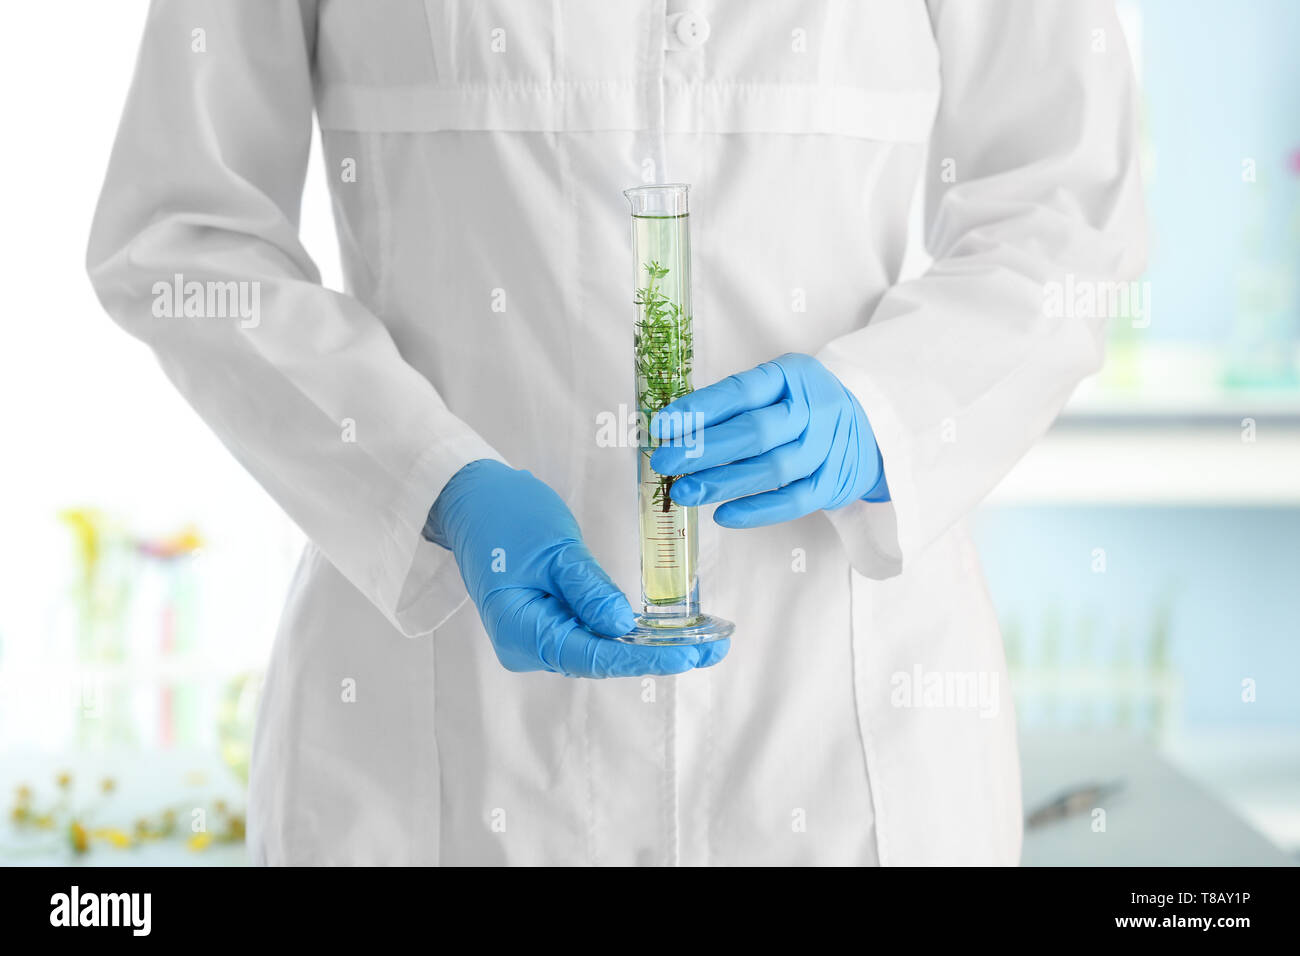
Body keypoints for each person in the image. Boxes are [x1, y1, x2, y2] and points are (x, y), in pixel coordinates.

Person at [88, 0, 1145, 865]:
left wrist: (883, 411)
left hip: (845, 742)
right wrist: (430, 483)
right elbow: (184, 237)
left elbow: (1065, 212)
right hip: (439, 751)